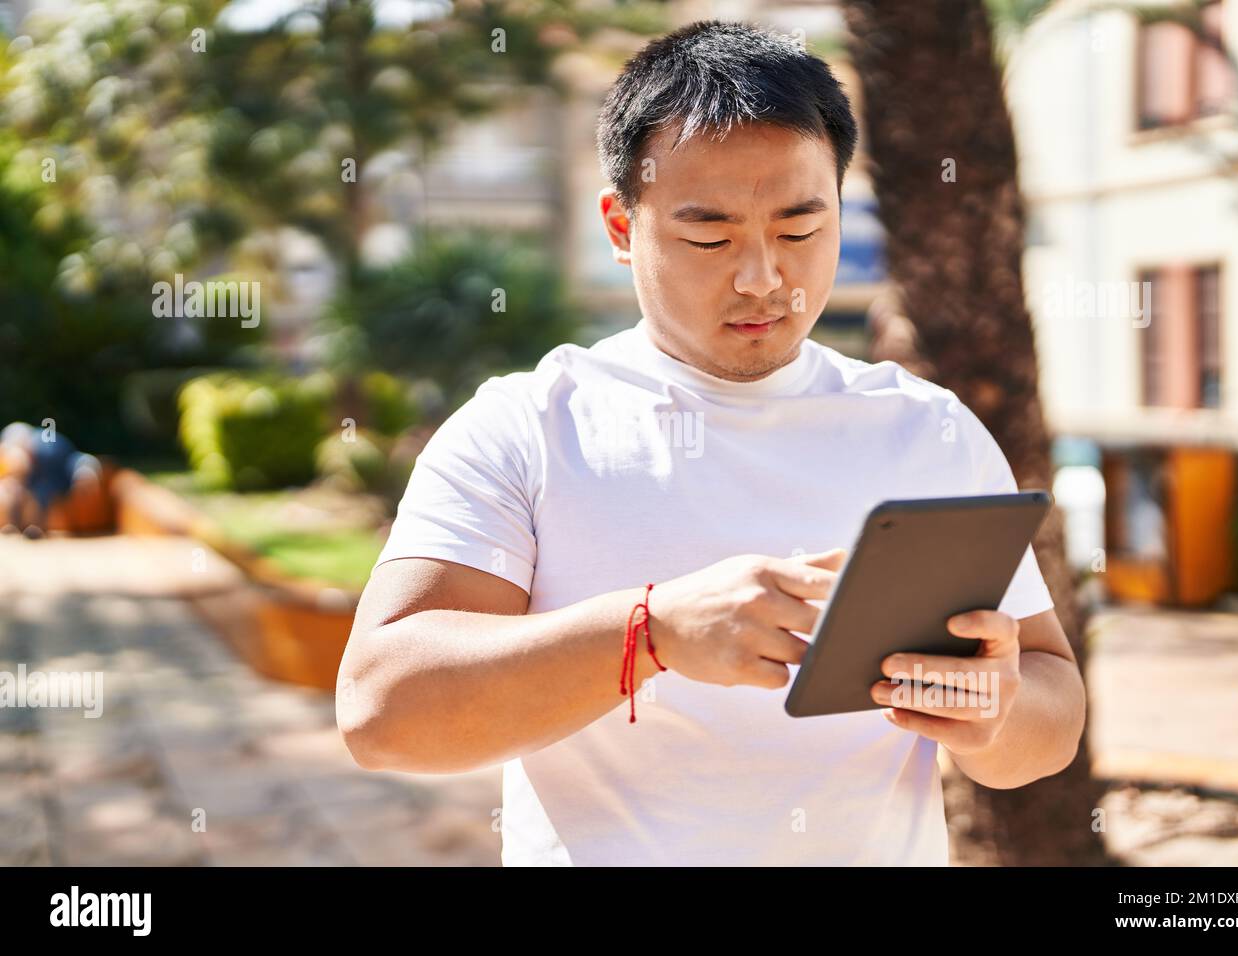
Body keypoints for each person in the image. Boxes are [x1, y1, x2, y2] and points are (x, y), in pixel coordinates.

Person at [337, 20, 1086, 866]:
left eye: (802, 230)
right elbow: (381, 714)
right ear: (622, 225)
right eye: (710, 236)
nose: (764, 277)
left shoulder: (927, 430)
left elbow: (1050, 712)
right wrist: (650, 633)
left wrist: (993, 720)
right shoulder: (526, 428)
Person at [0, 422, 102, 538]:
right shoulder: (16, 464)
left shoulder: (48, 450)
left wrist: (85, 471)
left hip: (66, 484)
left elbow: (77, 460)